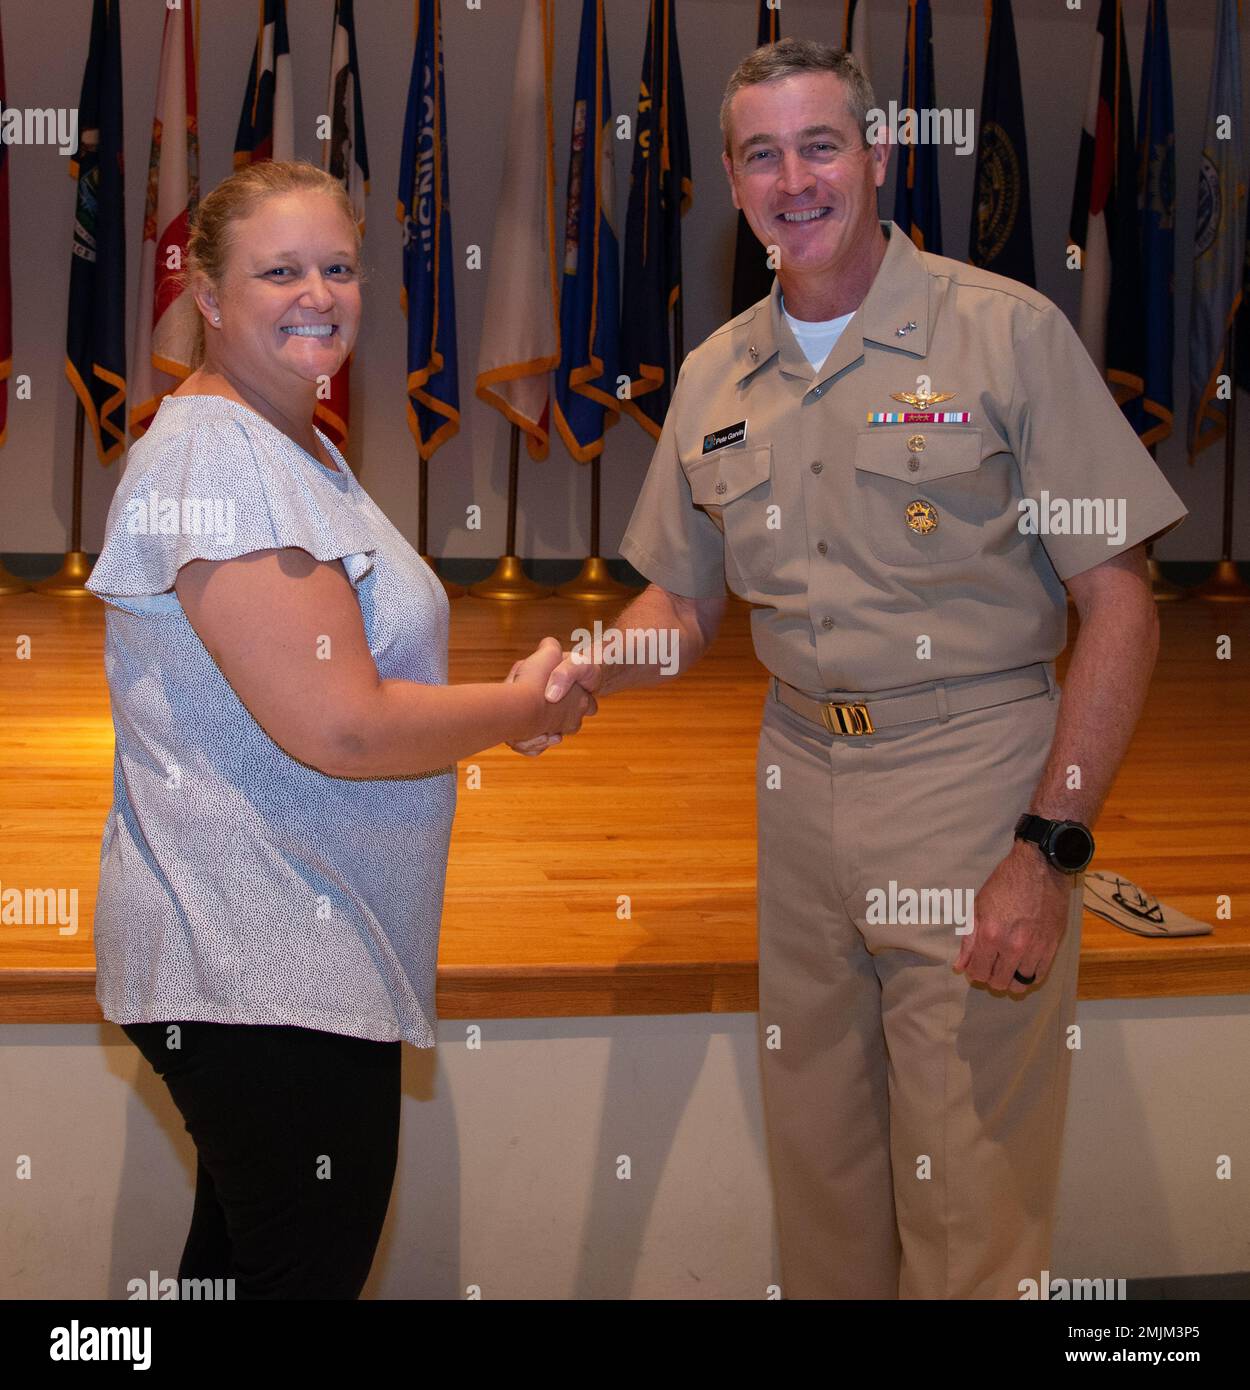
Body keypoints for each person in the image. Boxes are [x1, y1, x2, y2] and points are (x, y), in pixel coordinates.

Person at [524, 40, 1188, 1299]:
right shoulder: (719, 371)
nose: (795, 178)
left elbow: (1120, 605)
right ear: (730, 178)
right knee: (823, 1188)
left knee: (970, 1207)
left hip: (971, 780)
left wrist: (1049, 846)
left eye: (820, 144)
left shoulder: (1006, 336)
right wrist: (591, 669)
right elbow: (684, 596)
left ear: (876, 155)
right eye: (761, 154)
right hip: (797, 786)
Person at [85, 160, 594, 1299]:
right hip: (255, 960)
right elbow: (344, 727)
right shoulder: (219, 454)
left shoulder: (287, 434)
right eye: (278, 271)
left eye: (336, 266)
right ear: (209, 299)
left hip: (286, 952)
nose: (317, 292)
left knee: (242, 1270)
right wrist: (522, 710)